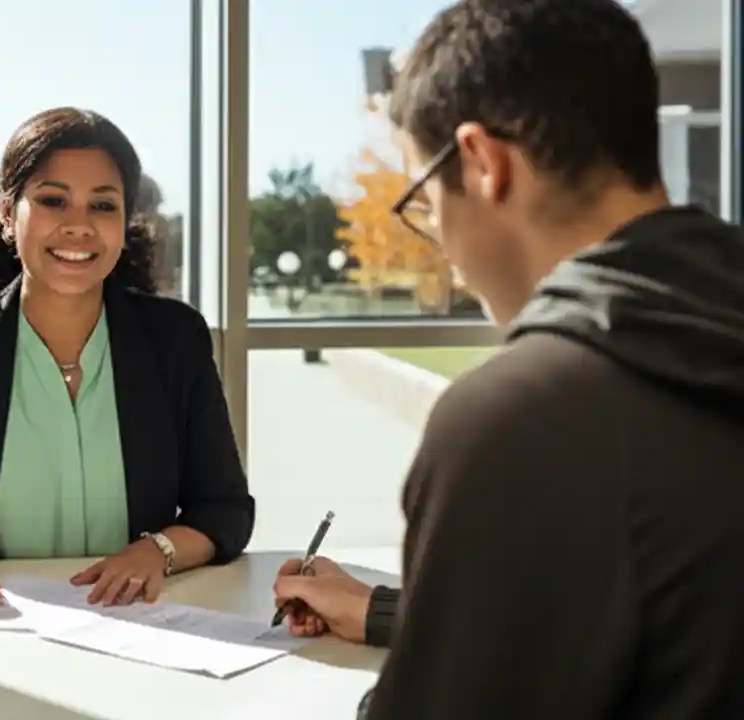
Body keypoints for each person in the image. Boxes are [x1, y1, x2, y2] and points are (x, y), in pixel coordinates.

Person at [274, 0, 744, 717]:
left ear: (483, 164)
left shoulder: (521, 419)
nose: (449, 261)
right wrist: (398, 611)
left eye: (425, 202)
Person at [0, 107, 254, 610]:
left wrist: (158, 551)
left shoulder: (174, 340)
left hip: (142, 623)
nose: (78, 226)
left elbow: (225, 510)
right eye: (53, 200)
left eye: (103, 206)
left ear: (125, 221)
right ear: (7, 213)